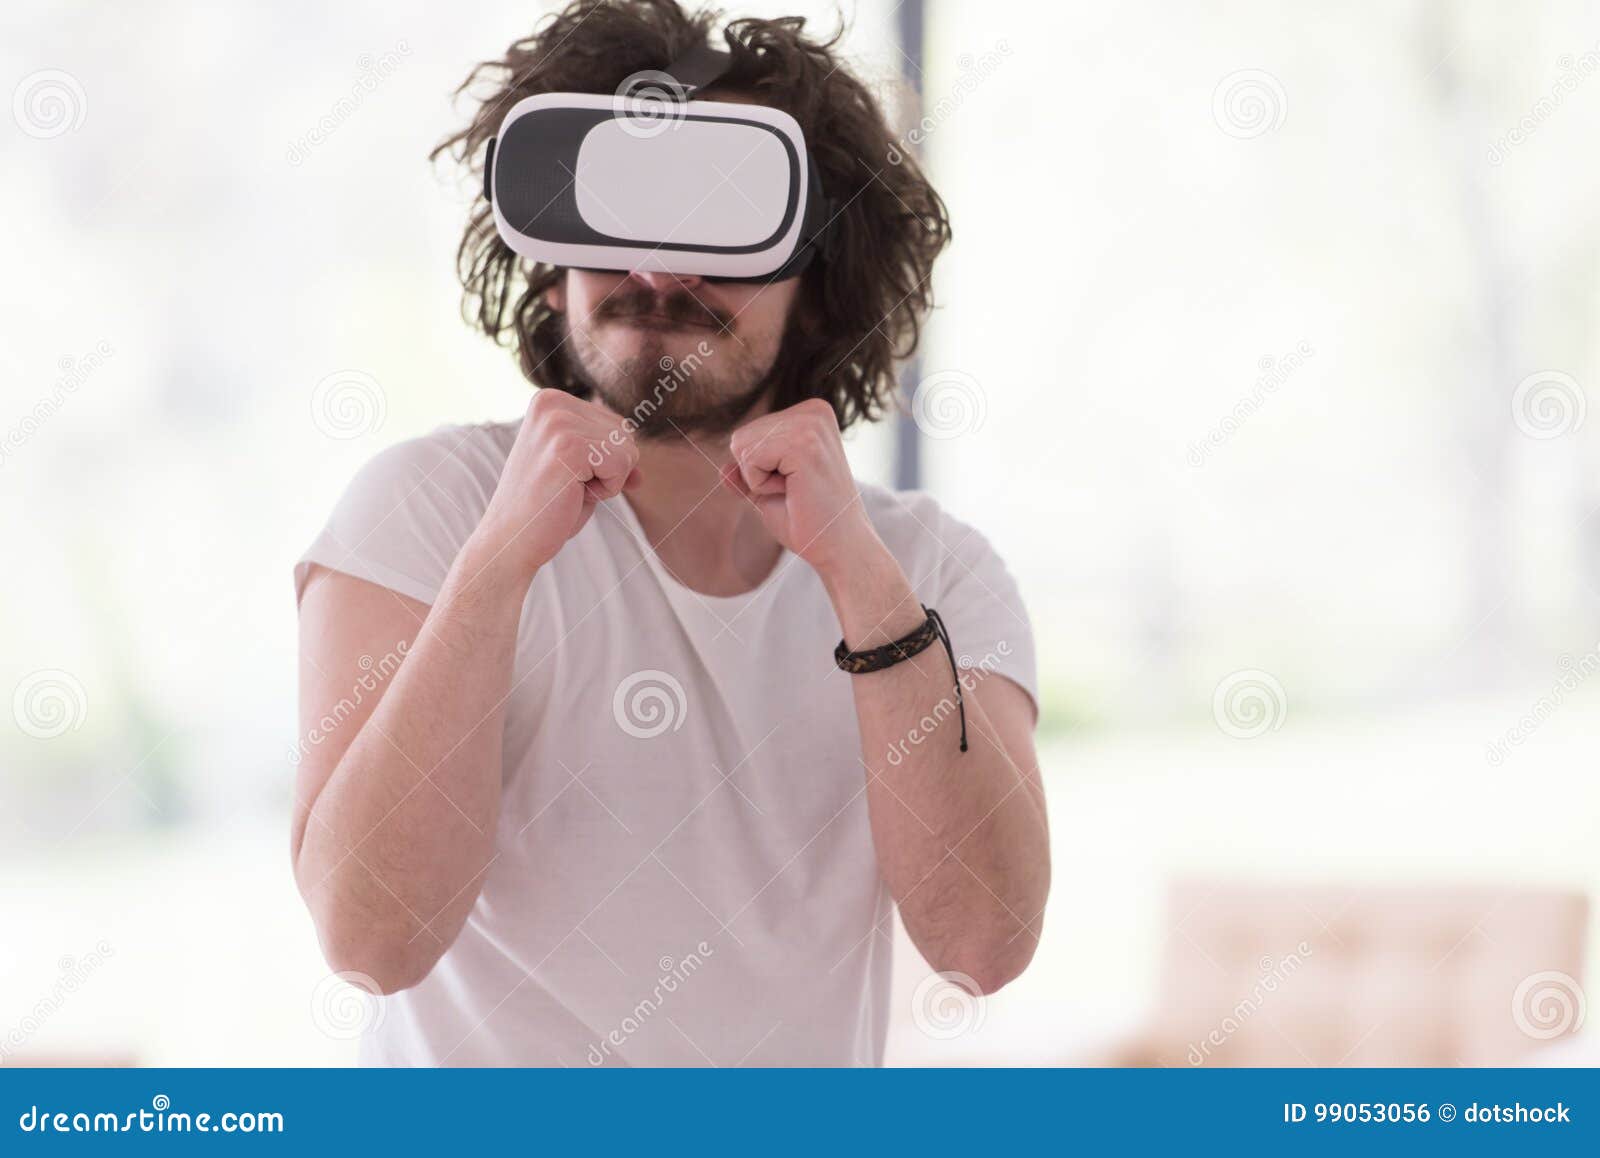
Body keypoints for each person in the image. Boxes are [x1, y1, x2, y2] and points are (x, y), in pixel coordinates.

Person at [291, 0, 1048, 1066]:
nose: (657, 271)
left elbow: (981, 945)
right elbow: (371, 940)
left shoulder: (933, 571)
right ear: (550, 265)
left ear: (820, 283)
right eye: (615, 212)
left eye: (721, 218)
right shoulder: (426, 508)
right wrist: (495, 571)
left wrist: (864, 587)